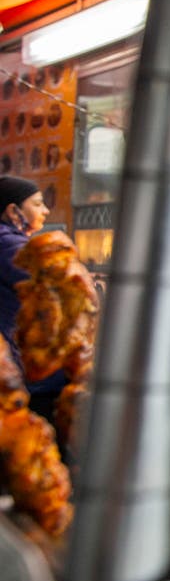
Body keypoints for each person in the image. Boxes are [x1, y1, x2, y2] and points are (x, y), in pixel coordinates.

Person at [0, 175, 65, 417]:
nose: (46, 210)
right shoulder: (9, 246)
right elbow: (54, 285)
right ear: (13, 211)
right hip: (28, 374)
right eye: (37, 204)